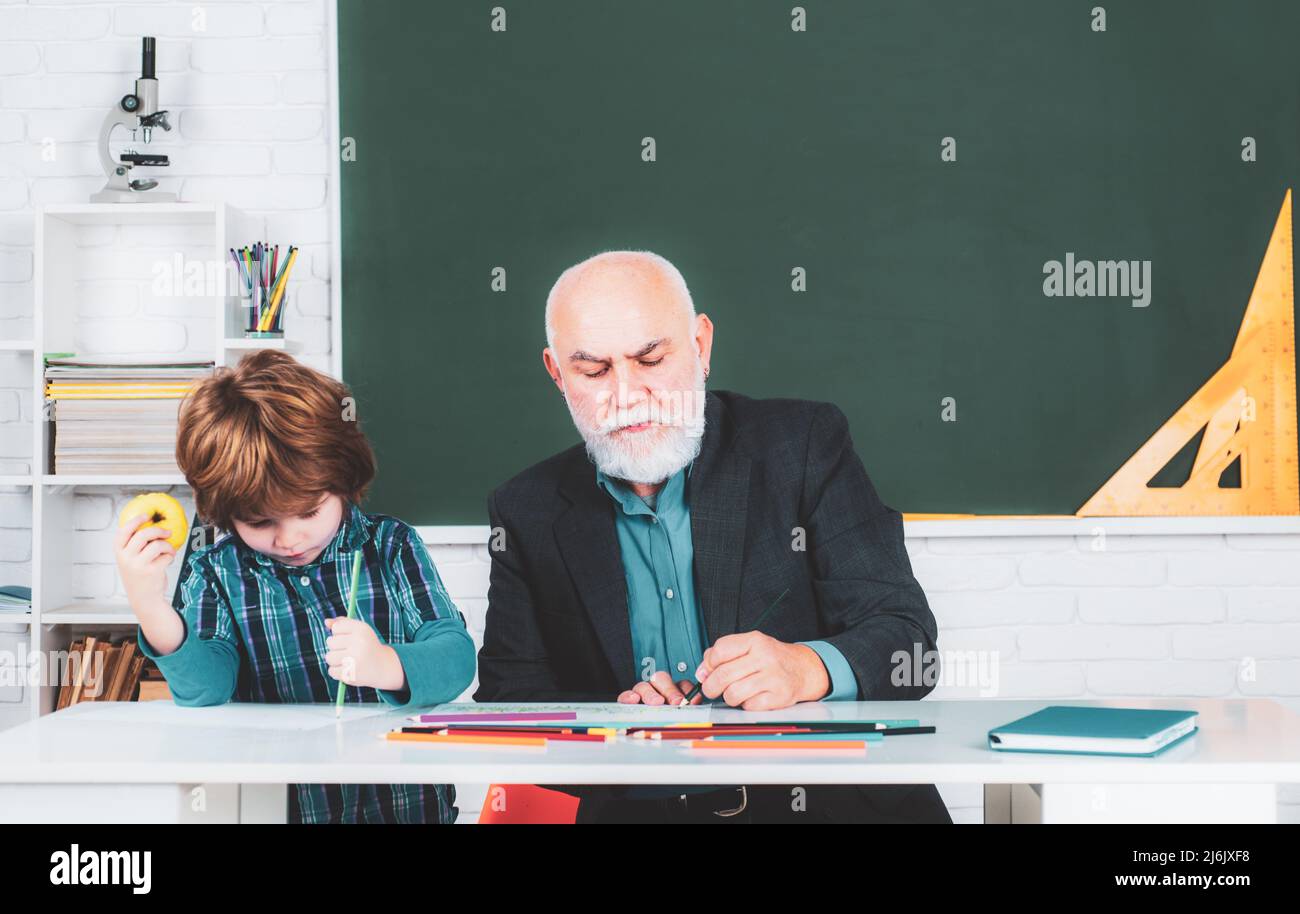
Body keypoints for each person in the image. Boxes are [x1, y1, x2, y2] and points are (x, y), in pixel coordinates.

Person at [476, 250, 951, 823]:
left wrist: (806, 669)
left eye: (650, 359)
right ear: (557, 373)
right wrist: (611, 722)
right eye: (594, 371)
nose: (626, 394)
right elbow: (508, 699)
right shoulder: (524, 508)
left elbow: (910, 646)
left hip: (833, 808)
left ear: (700, 346)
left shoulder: (803, 445)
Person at [114, 350, 476, 823]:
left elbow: (456, 657)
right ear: (224, 512)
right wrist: (148, 603)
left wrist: (386, 664)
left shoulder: (391, 546)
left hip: (407, 810)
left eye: (309, 512)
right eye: (259, 521)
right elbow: (206, 689)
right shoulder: (214, 572)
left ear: (344, 481)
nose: (289, 538)